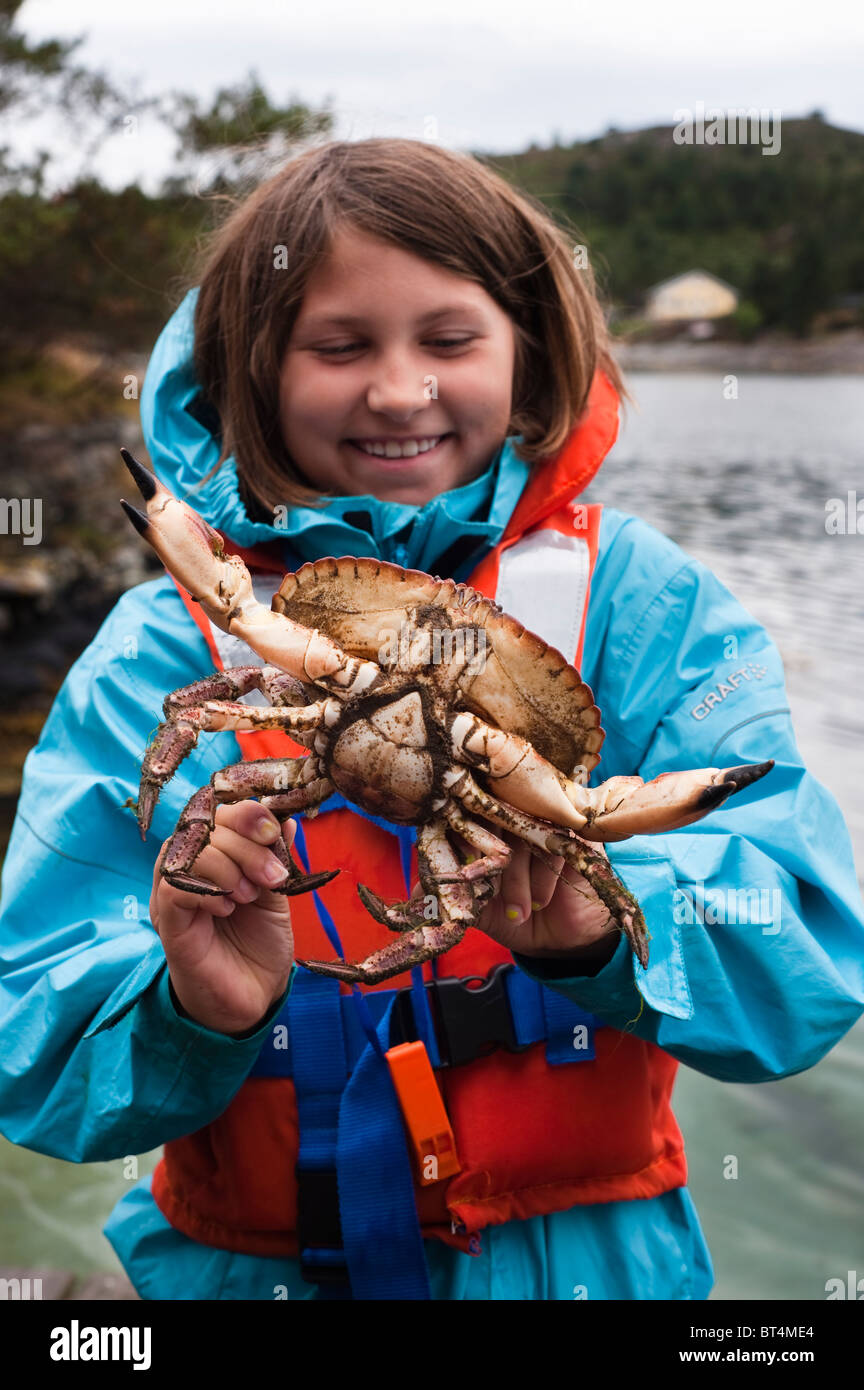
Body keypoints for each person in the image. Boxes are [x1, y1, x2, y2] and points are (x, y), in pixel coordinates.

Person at [1, 137, 862, 1302]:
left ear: (531, 350)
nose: (400, 389)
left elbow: (806, 946)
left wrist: (605, 927)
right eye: (338, 345)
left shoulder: (643, 609)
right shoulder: (180, 644)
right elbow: (29, 1044)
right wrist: (184, 1003)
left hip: (586, 1276)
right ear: (251, 373)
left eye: (450, 340)